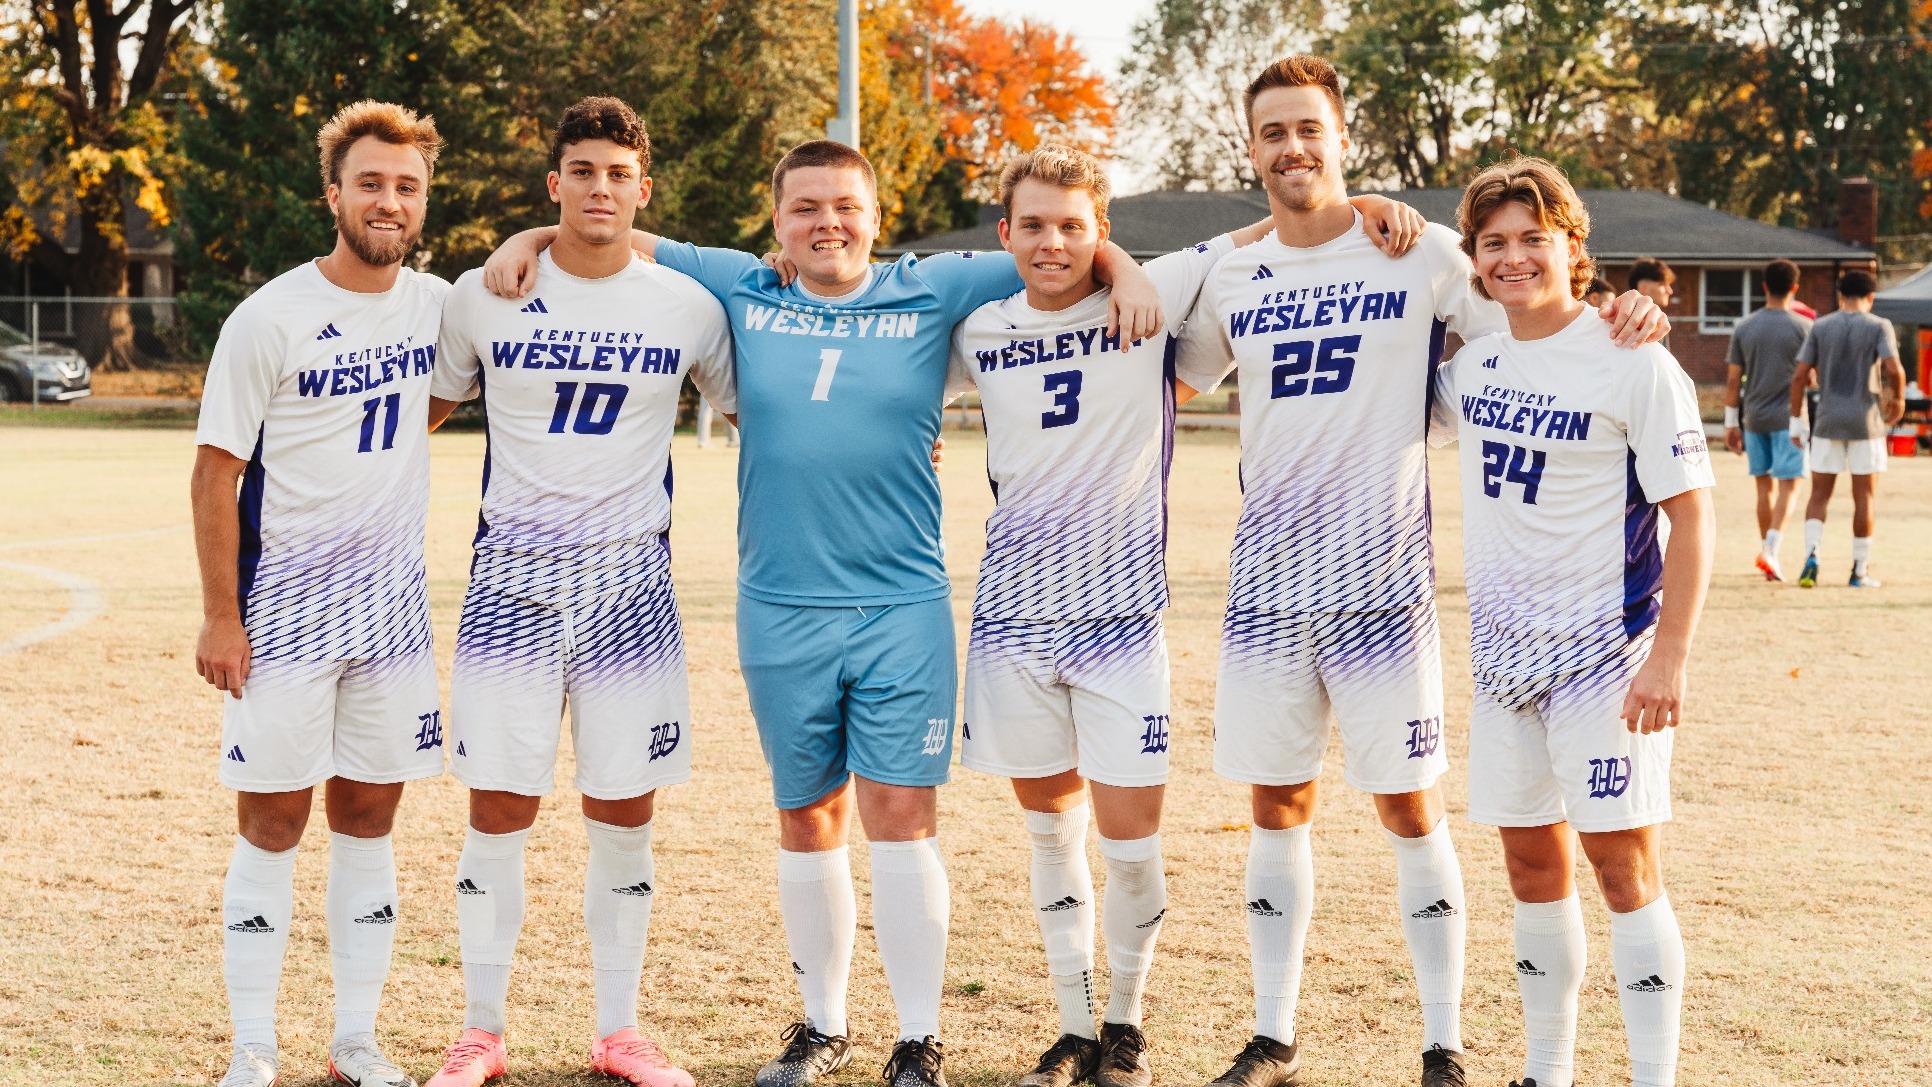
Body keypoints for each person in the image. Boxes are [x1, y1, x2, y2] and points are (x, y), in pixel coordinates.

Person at [1175, 55, 1668, 1087]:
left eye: (1309, 128)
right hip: (1266, 585)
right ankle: (1273, 1033)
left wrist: (1631, 313)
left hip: (1385, 588)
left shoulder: (1423, 249)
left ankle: (1443, 1040)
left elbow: (1539, 317)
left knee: (1411, 805)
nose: (1292, 148)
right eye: (1272, 132)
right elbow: (1149, 338)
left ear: (1341, 136)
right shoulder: (1229, 269)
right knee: (1276, 801)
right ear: (1251, 146)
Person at [947, 145, 1408, 1087]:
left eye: (1075, 225)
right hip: (1013, 620)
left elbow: (1265, 228)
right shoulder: (976, 327)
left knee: (1131, 844)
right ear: (1004, 234)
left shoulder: (1153, 300)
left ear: (1104, 233)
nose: (1053, 242)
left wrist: (1354, 200)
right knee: (1049, 836)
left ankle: (1126, 1023)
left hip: (1121, 621)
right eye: (1032, 224)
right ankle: (1074, 1027)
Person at [419, 98, 735, 1087]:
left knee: (623, 810)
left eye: (618, 173)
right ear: (554, 183)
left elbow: (762, 415)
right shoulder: (483, 293)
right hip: (511, 580)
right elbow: (415, 417)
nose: (600, 187)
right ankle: (480, 1029)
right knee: (499, 807)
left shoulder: (687, 304)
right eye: (582, 171)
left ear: (643, 190)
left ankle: (620, 1029)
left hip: (628, 587)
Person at [1431, 155, 1715, 1087]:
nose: (1514, 258)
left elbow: (1693, 516)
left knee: (1623, 868)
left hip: (1608, 656)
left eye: (1533, 240)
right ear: (1474, 257)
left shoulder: (1635, 359)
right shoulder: (1472, 365)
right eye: (1495, 243)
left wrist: (1669, 656)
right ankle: (1546, 1072)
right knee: (1528, 865)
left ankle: (1651, 1076)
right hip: (1506, 658)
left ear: (1573, 248)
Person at [191, 100, 448, 1087]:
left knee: (371, 815)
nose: (389, 200)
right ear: (334, 193)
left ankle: (355, 1042)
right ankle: (254, 1044)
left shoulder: (435, 305)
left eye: (407, 186)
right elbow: (216, 472)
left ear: (424, 203)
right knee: (271, 820)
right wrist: (222, 612)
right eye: (372, 182)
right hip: (283, 616)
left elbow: (540, 278)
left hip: (389, 619)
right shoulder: (270, 316)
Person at [1789, 270, 1908, 587]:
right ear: (1871, 296)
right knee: (1864, 497)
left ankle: (1811, 557)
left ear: (1841, 295)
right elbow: (1895, 368)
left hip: (1827, 419)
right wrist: (1898, 400)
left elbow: (1799, 375)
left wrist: (1795, 419)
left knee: (1819, 495)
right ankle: (1859, 571)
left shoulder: (1820, 326)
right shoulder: (1878, 325)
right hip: (1865, 420)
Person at [1722, 258, 1811, 580]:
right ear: (1794, 288)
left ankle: (1767, 553)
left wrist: (1731, 423)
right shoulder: (1804, 328)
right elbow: (1809, 377)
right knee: (1791, 485)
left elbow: (1733, 380)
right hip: (1791, 419)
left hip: (1754, 417)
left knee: (1764, 486)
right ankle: (1771, 550)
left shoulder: (1744, 327)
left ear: (1764, 286)